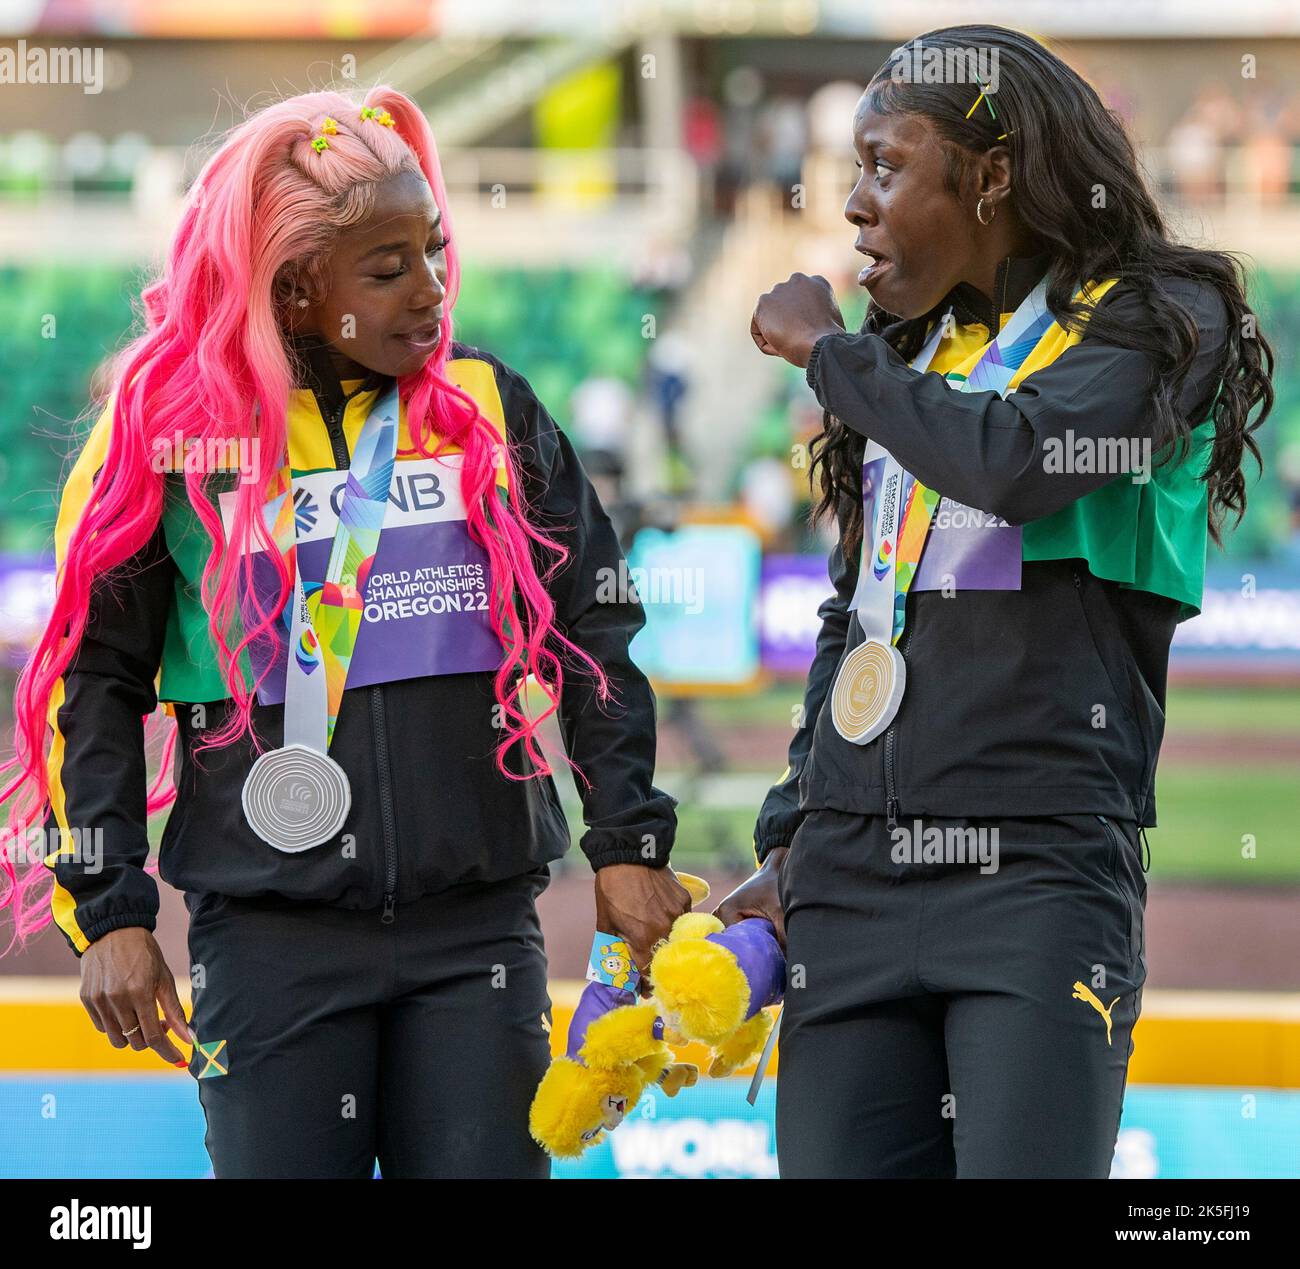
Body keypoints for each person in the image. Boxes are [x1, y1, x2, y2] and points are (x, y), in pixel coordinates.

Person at [0, 87, 690, 1179]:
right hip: (272, 938)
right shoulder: (174, 441)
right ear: (294, 288)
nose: (431, 290)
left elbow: (593, 624)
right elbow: (87, 681)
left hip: (477, 935)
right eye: (388, 268)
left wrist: (628, 842)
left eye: (435, 251)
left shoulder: (484, 407)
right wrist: (111, 911)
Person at [726, 25, 1273, 1178]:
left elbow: (1024, 465)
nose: (855, 209)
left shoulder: (1160, 319)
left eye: (884, 166)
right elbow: (857, 618)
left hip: (1034, 873)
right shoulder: (917, 351)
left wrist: (832, 358)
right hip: (851, 877)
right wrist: (791, 834)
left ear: (989, 175)